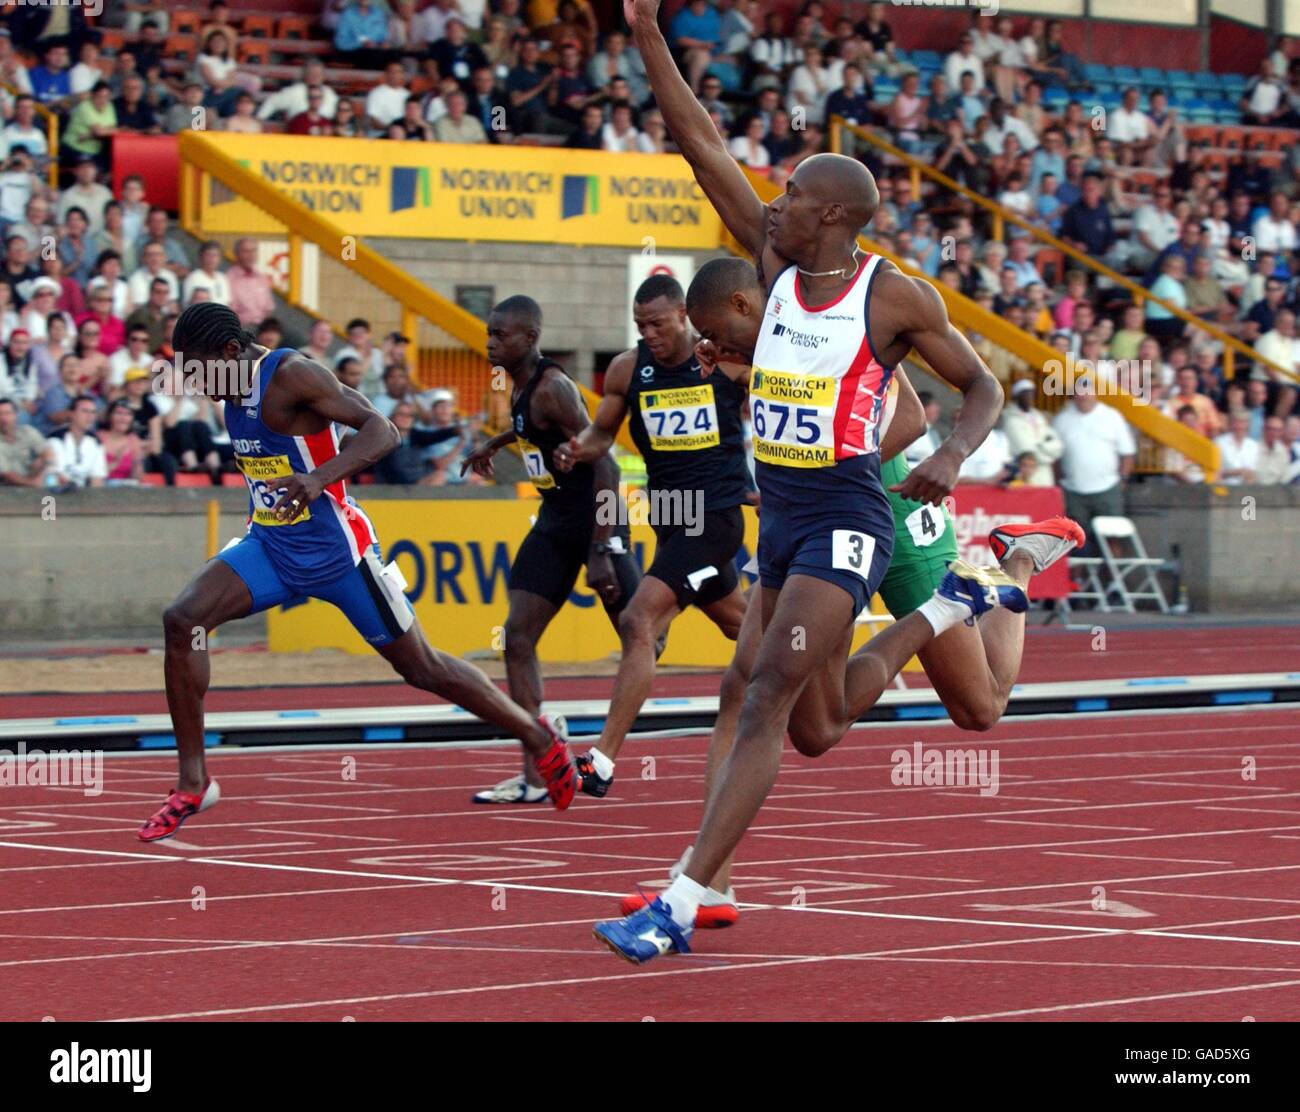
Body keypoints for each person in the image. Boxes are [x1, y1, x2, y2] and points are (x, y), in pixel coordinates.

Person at [593, 0, 1082, 964]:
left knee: (766, 682)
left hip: (849, 514)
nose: (767, 202)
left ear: (831, 216)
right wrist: (646, 30)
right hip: (781, 517)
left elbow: (981, 383)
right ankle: (957, 605)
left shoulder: (894, 295)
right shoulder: (772, 270)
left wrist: (948, 456)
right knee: (815, 726)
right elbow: (700, 148)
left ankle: (684, 903)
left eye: (788, 194)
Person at [615, 257, 1083, 930]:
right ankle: (709, 878)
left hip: (888, 511)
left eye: (721, 334)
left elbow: (915, 417)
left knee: (979, 708)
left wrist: (833, 462)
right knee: (750, 691)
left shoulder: (843, 316)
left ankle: (1007, 573)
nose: (717, 349)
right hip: (816, 529)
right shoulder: (770, 331)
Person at [137, 303, 579, 841]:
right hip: (272, 548)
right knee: (182, 620)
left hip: (338, 556)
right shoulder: (229, 386)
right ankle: (193, 782)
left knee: (423, 668)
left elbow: (384, 430)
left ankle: (536, 737)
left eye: (198, 371)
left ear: (230, 353)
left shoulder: (292, 376)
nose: (194, 384)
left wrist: (319, 478)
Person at [543, 274, 751, 800]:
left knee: (639, 619)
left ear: (684, 315)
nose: (649, 333)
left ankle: (603, 761)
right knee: (745, 628)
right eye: (640, 325)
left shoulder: (725, 360)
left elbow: (780, 406)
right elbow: (601, 434)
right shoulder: (629, 369)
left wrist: (765, 483)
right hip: (672, 521)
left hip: (714, 521)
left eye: (658, 323)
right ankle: (829, 678)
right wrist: (577, 448)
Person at [456, 296, 642, 803]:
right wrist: (492, 447)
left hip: (594, 523)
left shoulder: (554, 388)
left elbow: (604, 465)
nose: (491, 341)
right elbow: (528, 429)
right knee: (516, 638)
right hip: (557, 522)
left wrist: (602, 547)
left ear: (530, 338)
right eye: (489, 333)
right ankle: (538, 772)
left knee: (642, 637)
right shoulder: (521, 389)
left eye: (501, 334)